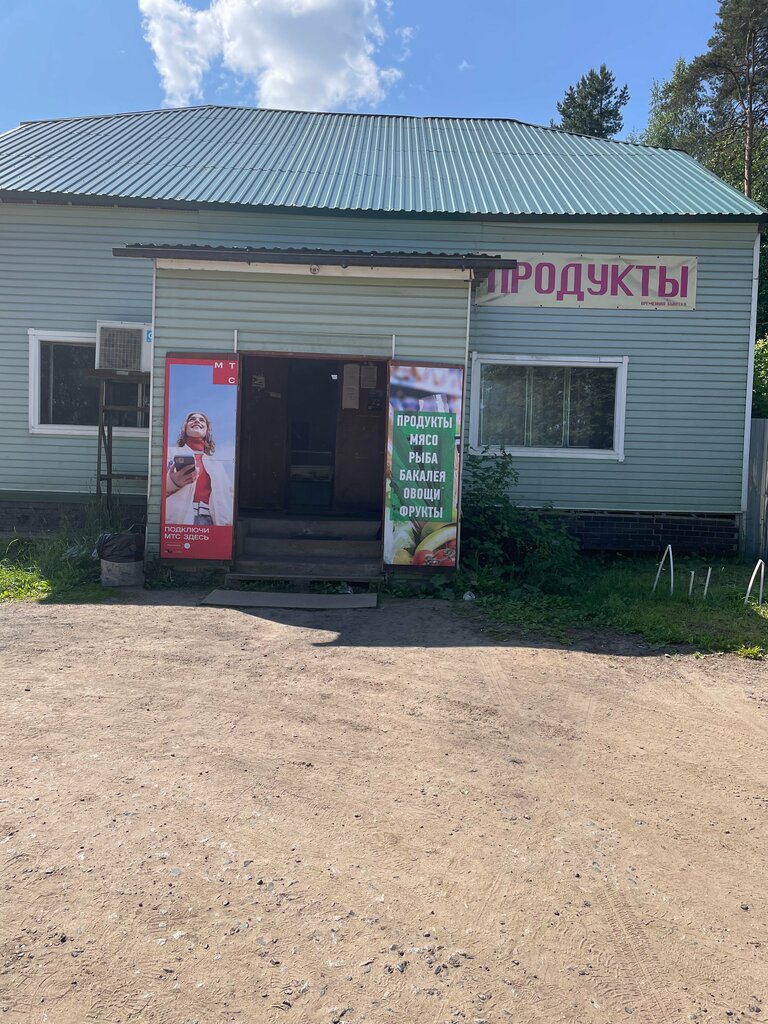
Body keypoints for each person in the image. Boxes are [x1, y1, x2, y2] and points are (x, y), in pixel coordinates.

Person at [165, 411, 234, 526]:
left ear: (207, 431)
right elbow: (158, 488)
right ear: (185, 428)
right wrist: (173, 483)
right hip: (179, 521)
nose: (197, 421)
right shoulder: (169, 453)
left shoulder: (217, 464)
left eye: (202, 420)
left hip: (211, 522)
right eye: (192, 419)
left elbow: (229, 496)